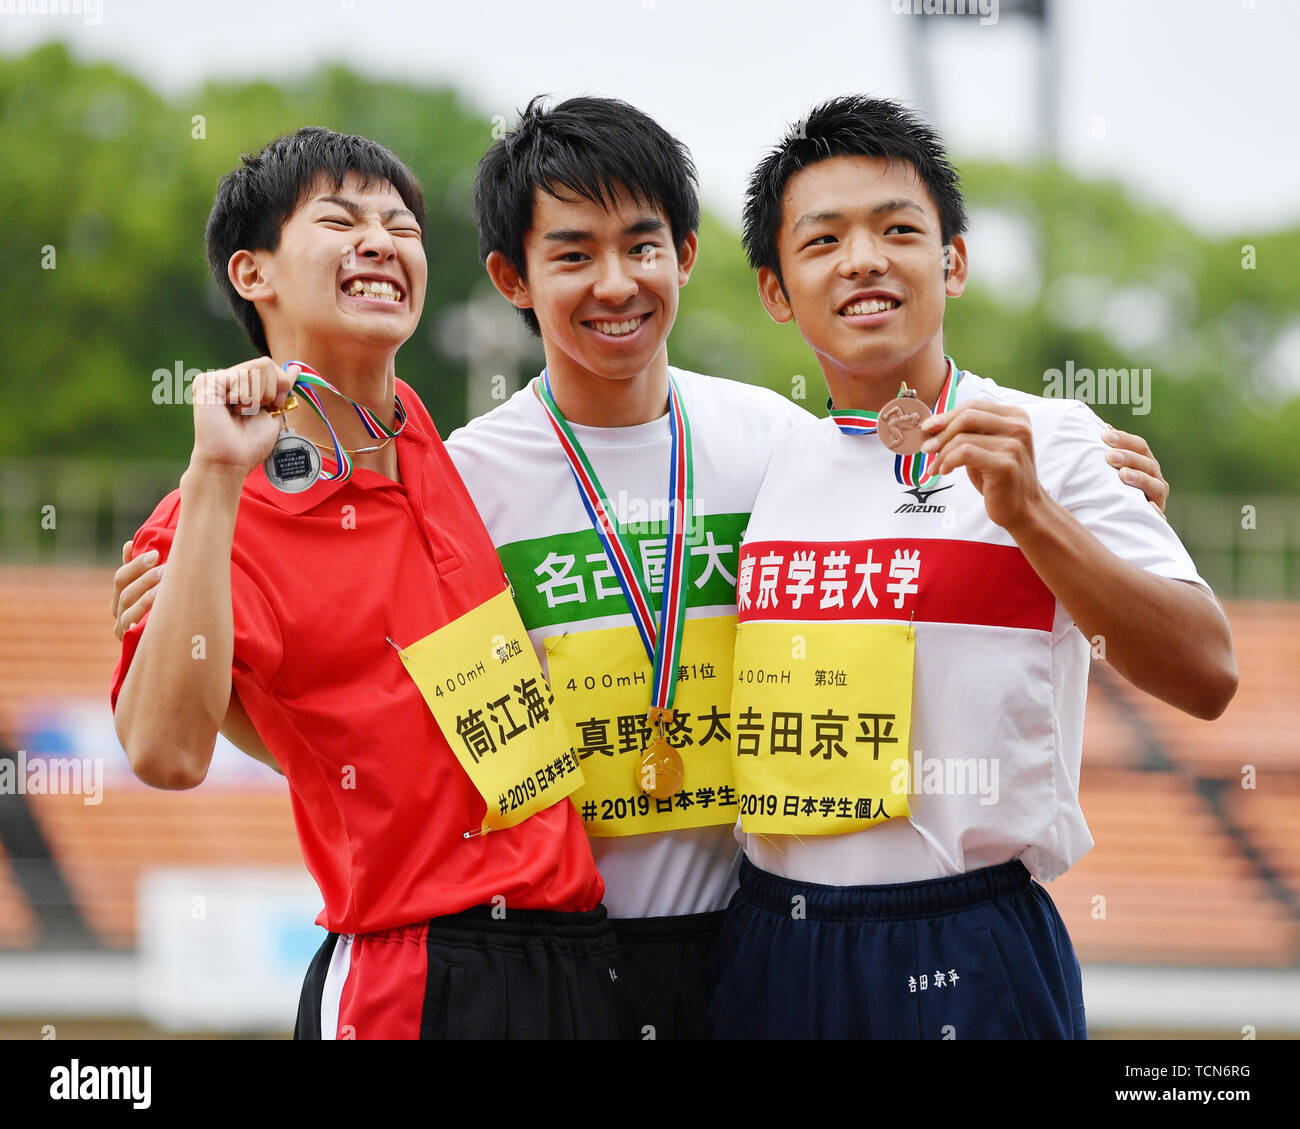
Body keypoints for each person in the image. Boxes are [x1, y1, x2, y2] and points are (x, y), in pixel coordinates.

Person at [110, 103, 1175, 1040]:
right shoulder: (469, 472)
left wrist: (1082, 467)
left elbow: (901, 458)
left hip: (748, 940)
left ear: (689, 255)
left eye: (642, 245)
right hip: (547, 946)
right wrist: (204, 536)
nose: (615, 283)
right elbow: (316, 711)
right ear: (511, 279)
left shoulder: (772, 442)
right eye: (572, 254)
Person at [707, 95, 1238, 1040]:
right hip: (771, 936)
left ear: (951, 262)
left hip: (968, 938)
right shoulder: (758, 459)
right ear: (776, 291)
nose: (864, 258)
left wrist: (1032, 514)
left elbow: (1208, 673)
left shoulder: (1058, 441)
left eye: (897, 229)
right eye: (823, 240)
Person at [110, 127, 626, 1040]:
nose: (382, 242)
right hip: (414, 972)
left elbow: (374, 712)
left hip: (575, 954)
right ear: (252, 273)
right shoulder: (210, 511)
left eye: (403, 225)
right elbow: (163, 753)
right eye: (341, 221)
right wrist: (216, 479)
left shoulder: (438, 442)